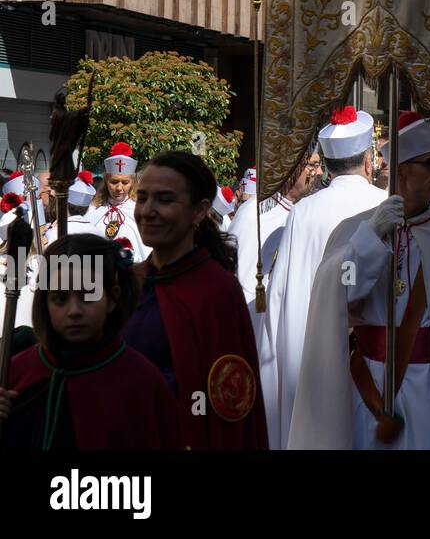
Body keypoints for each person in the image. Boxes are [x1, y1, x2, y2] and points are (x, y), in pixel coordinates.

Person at [289, 114, 430, 449]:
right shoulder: (354, 230)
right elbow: (338, 294)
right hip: (365, 389)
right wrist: (371, 237)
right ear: (403, 168)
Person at [259, 106, 386, 448]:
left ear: (327, 165)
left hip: (309, 352)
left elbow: (282, 294)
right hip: (373, 357)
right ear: (368, 161)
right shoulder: (385, 206)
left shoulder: (303, 212)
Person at [122, 151, 267, 449]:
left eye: (164, 200)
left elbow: (230, 403)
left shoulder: (216, 291)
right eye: (143, 197)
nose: (147, 210)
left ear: (199, 211)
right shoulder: (130, 281)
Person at [0, 234, 182, 449]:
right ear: (45, 302)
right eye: (60, 299)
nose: (74, 311)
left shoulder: (142, 383)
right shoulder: (16, 373)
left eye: (88, 295)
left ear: (112, 299)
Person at [228, 147, 321, 305]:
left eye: (319, 165)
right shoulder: (255, 214)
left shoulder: (298, 209)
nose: (318, 172)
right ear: (290, 168)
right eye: (312, 165)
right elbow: (244, 288)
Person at [83, 142, 149, 261]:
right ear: (106, 180)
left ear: (132, 182)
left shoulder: (139, 210)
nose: (119, 188)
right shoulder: (94, 209)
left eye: (125, 182)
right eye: (114, 182)